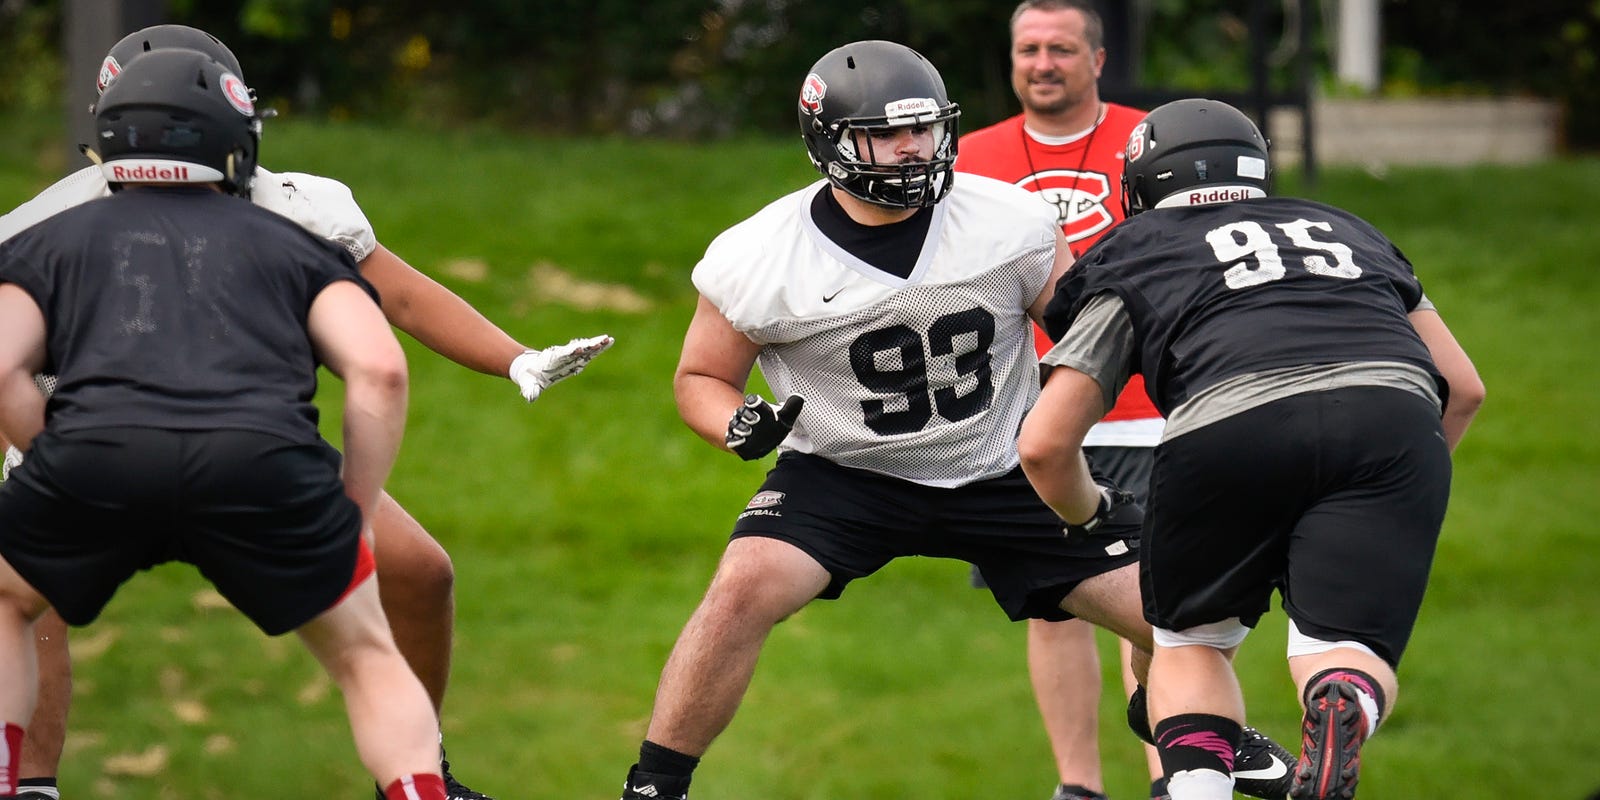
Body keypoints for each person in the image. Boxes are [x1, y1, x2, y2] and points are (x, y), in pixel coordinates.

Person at [613, 40, 1288, 800]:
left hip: (1001, 468)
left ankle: (1170, 718)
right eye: (886, 133)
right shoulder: (760, 254)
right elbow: (702, 377)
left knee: (1172, 611)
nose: (912, 148)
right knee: (740, 588)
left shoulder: (1009, 220)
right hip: (844, 475)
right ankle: (656, 784)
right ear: (828, 141)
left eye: (925, 128)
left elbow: (1082, 334)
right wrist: (738, 422)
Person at [0, 24, 613, 800]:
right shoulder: (281, 222)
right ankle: (411, 780)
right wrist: (349, 512)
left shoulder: (50, 230)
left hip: (94, 445)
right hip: (248, 450)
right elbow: (380, 363)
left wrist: (513, 356)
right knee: (359, 650)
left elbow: (1, 361)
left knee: (420, 572)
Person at [1016, 98, 1484, 799]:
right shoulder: (1346, 228)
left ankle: (1198, 788)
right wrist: (1395, 492)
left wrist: (1089, 517)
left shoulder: (1136, 249)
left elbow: (1046, 445)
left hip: (1227, 423)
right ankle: (1343, 697)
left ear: (1139, 184)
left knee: (1190, 644)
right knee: (1344, 646)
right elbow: (1463, 387)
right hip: (1391, 418)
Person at [955, 3, 1163, 797]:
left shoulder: (1155, 139)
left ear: (1098, 59)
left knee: (1159, 601)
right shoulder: (971, 157)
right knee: (1052, 602)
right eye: (1029, 48)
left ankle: (1172, 773)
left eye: (1062, 49)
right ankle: (1079, 786)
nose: (1044, 62)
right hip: (1027, 422)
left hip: (1154, 416)